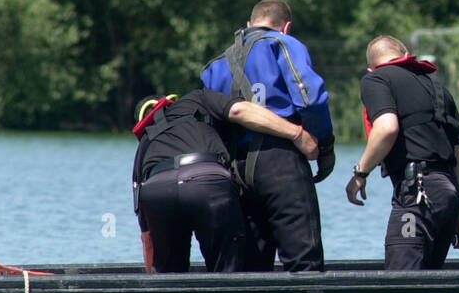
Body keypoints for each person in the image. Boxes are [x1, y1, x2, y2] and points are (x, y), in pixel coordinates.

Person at [201, 0, 334, 272]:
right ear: (286, 27)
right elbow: (309, 98)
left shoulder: (215, 65)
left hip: (234, 168)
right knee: (303, 260)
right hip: (281, 159)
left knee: (249, 265)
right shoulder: (284, 43)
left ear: (249, 25)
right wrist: (325, 144)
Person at [132, 89, 319, 273]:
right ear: (169, 102)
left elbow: (147, 237)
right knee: (227, 269)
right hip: (206, 181)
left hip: (157, 191)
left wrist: (154, 276)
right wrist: (296, 133)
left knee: (169, 275)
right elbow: (240, 111)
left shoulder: (144, 146)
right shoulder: (196, 99)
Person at [346, 36, 459, 269]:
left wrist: (360, 173)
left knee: (401, 282)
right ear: (405, 56)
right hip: (449, 196)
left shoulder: (376, 79)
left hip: (417, 195)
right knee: (428, 284)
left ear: (371, 67)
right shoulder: (439, 89)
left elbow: (386, 128)